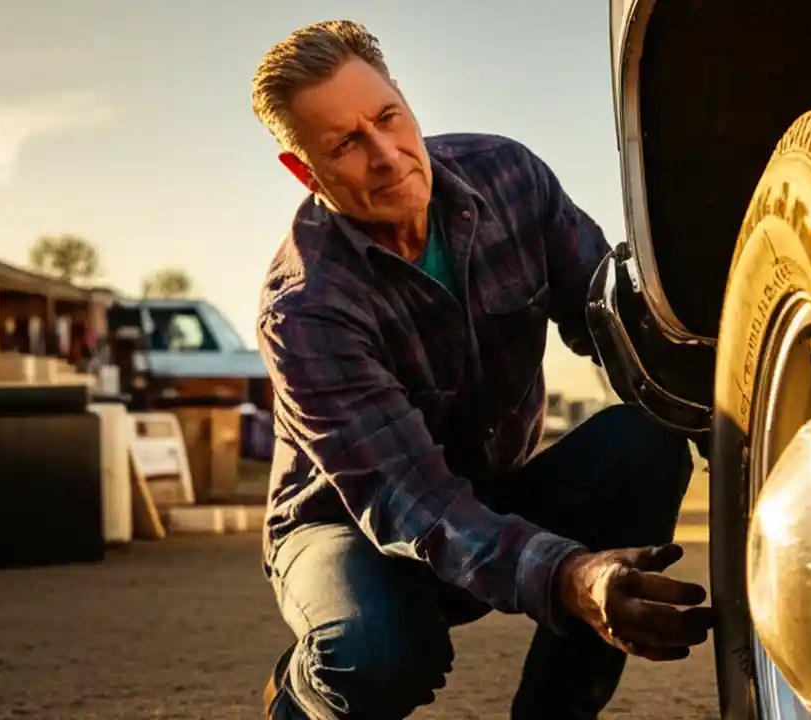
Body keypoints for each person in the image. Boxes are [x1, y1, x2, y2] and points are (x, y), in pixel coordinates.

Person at [249, 20, 714, 720]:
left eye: (387, 117)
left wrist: (737, 429)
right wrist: (571, 575)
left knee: (644, 443)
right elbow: (410, 499)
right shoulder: (306, 309)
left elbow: (619, 328)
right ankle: (302, 691)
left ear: (405, 99)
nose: (386, 156)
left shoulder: (510, 178)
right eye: (346, 144)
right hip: (346, 525)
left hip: (494, 492)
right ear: (303, 170)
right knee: (376, 657)